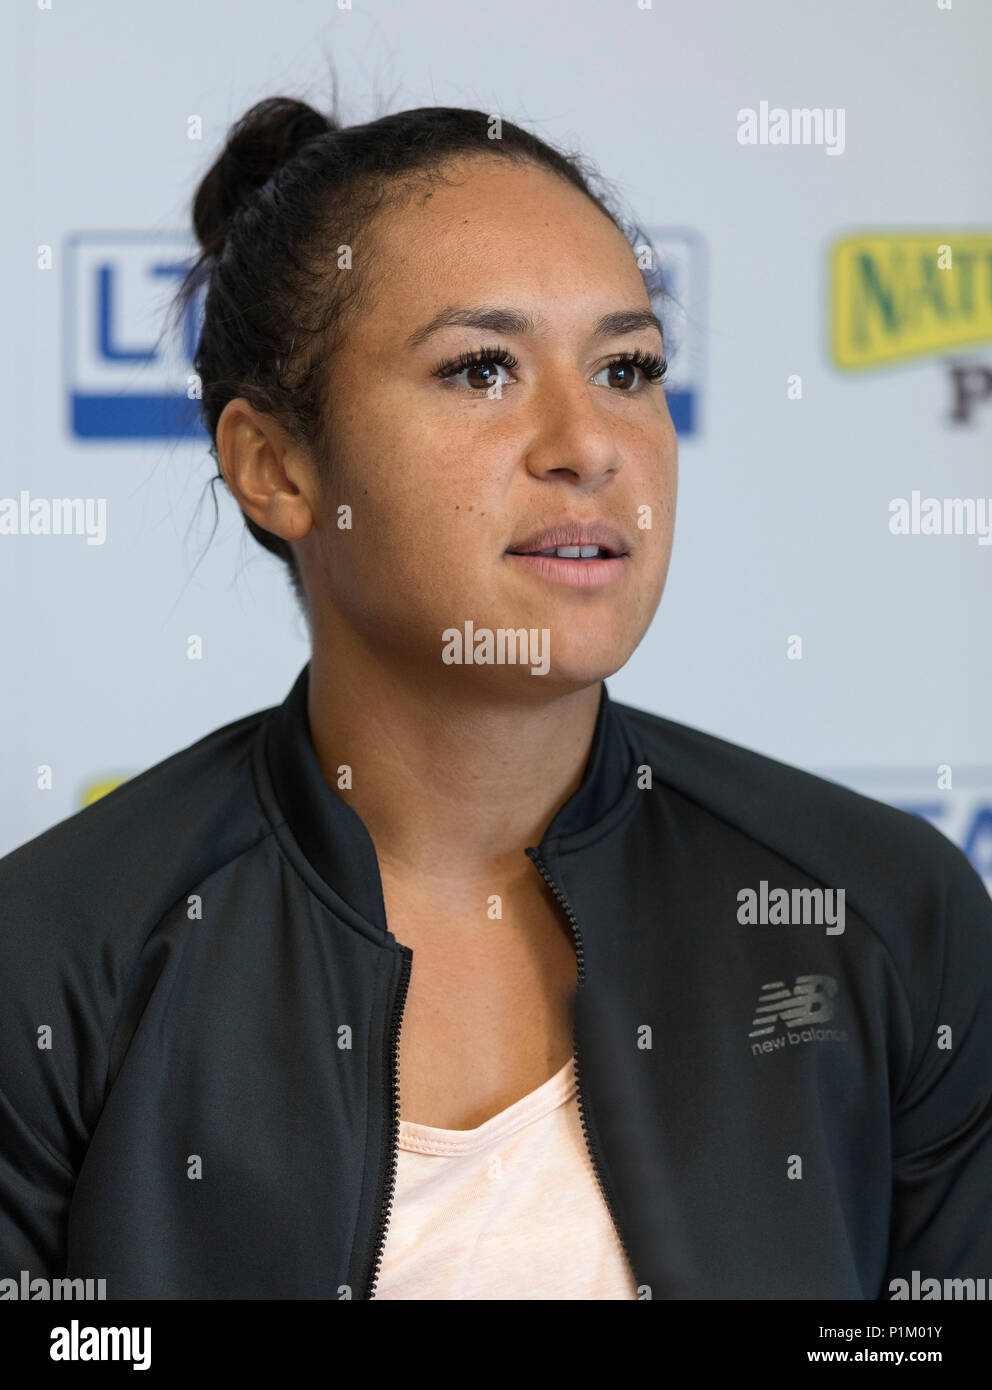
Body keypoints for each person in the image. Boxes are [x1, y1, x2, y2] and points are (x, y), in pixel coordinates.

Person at [1, 96, 990, 1302]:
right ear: (275, 467)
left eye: (627, 368)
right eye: (481, 369)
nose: (589, 442)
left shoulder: (883, 916)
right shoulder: (54, 958)